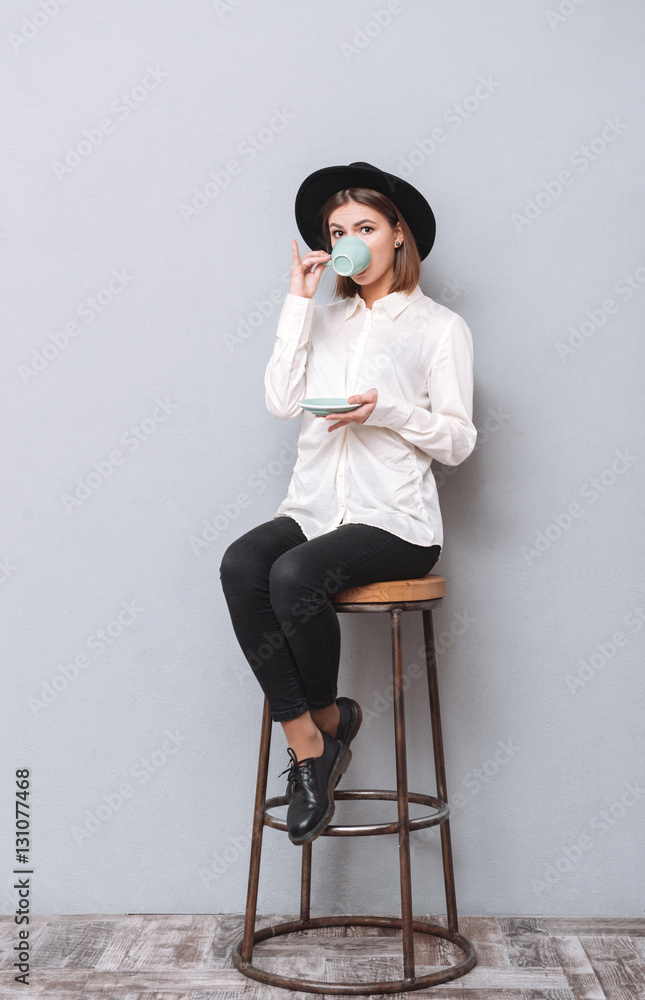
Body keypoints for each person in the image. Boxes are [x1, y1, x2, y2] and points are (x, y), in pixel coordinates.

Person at [219, 161, 477, 847]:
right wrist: (298, 301)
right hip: (311, 508)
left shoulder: (437, 327)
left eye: (364, 226)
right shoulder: (321, 317)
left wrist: (386, 410)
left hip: (393, 520)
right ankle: (314, 735)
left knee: (294, 574)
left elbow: (456, 441)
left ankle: (322, 735)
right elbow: (280, 402)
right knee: (244, 563)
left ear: (397, 235)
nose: (349, 241)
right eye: (338, 231)